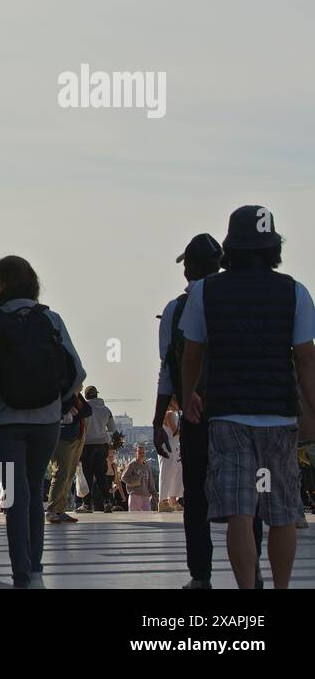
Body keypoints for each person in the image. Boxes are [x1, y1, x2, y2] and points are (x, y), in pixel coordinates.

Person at [180, 205, 315, 590]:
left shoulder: (206, 291)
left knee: (241, 511)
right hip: (280, 418)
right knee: (282, 512)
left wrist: (190, 394)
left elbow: (192, 353)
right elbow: (306, 358)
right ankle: (282, 587)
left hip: (229, 416)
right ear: (273, 247)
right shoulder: (295, 291)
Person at [152, 232, 264, 588]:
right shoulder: (243, 300)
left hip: (197, 415)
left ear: (194, 265)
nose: (184, 268)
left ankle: (200, 575)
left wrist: (158, 421)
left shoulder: (177, 308)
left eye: (186, 262)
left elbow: (168, 369)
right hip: (242, 412)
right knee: (246, 498)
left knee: (197, 499)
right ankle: (253, 571)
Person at [0, 255, 85, 589]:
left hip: (5, 420)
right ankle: (36, 571)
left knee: (16, 497)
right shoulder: (50, 318)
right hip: (46, 420)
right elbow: (77, 372)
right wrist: (60, 402)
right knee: (34, 489)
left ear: (0, 284)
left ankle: (21, 574)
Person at [47, 392, 91, 523]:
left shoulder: (74, 395)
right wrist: (74, 412)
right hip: (63, 438)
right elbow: (61, 413)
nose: (81, 386)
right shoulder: (62, 394)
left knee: (69, 474)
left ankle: (60, 509)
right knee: (61, 473)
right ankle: (52, 510)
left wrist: (76, 413)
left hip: (76, 436)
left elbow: (87, 411)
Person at [79, 387, 116, 513]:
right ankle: (107, 502)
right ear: (96, 395)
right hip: (102, 444)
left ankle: (87, 505)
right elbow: (112, 428)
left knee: (87, 474)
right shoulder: (106, 410)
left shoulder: (83, 409)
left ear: (86, 396)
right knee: (101, 475)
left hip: (87, 445)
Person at [158, 402, 185, 511]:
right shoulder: (168, 414)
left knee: (176, 471)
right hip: (167, 446)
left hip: (174, 446)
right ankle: (162, 501)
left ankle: (172, 500)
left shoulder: (174, 414)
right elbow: (175, 431)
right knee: (166, 472)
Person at [123, 445, 155, 511]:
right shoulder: (132, 465)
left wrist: (154, 494)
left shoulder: (147, 466)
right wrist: (136, 479)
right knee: (135, 518)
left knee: (147, 518)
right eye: (140, 453)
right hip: (135, 495)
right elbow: (124, 477)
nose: (142, 454)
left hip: (146, 496)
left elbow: (151, 482)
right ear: (136, 453)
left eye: (143, 453)